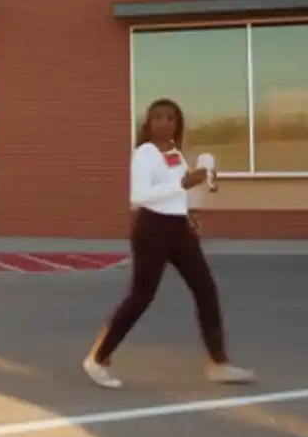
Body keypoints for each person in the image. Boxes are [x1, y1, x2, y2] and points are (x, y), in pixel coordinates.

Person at [82, 98, 255, 388]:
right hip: (152, 228)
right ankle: (97, 359)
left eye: (171, 118)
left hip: (179, 228)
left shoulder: (175, 153)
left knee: (206, 289)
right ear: (149, 124)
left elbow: (180, 191)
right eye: (159, 117)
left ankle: (219, 363)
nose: (165, 122)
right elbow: (140, 195)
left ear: (178, 124)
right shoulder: (145, 153)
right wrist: (183, 184)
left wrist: (193, 203)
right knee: (141, 297)